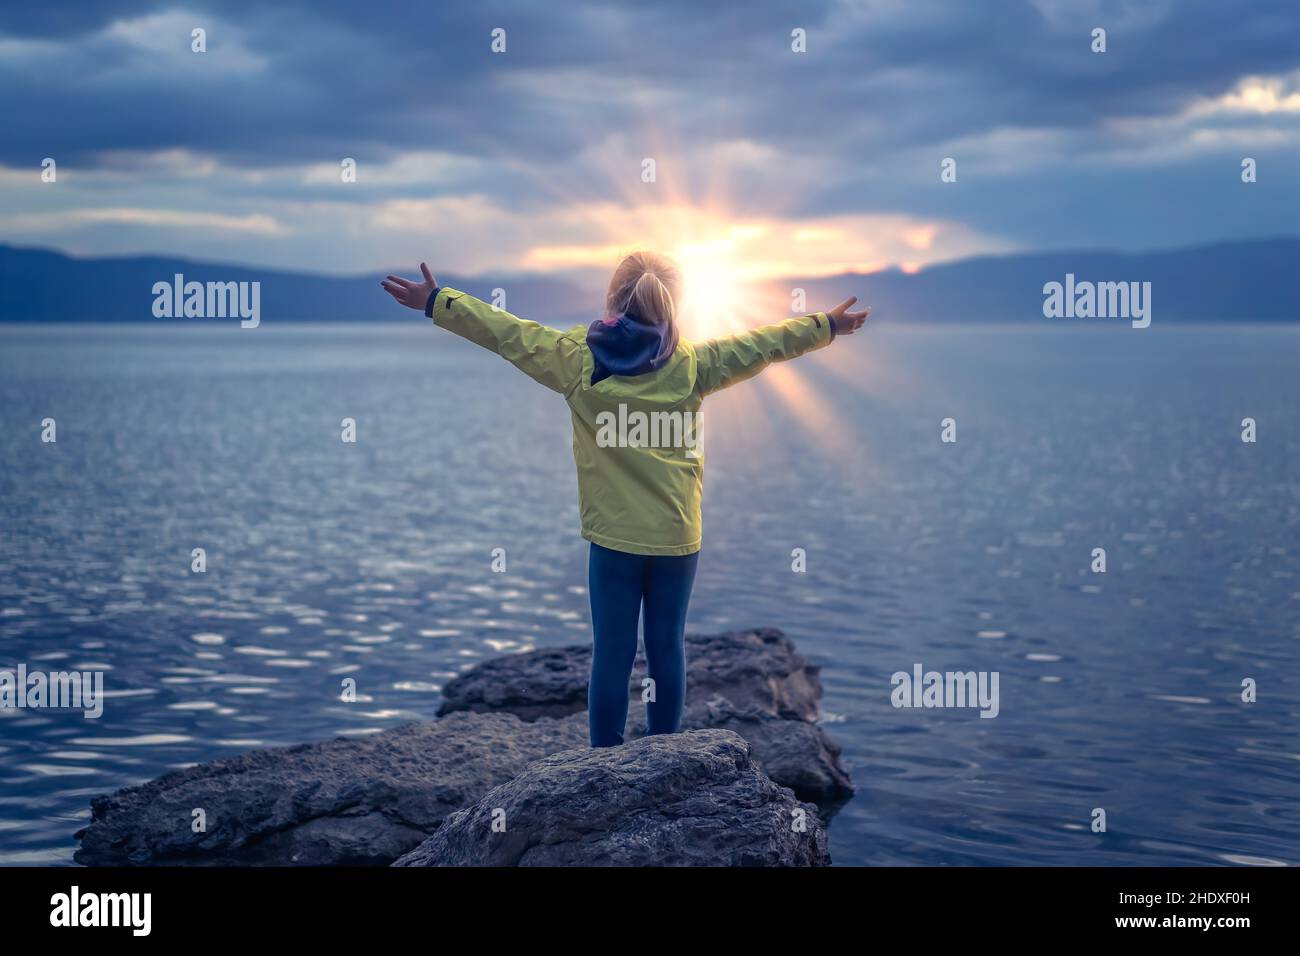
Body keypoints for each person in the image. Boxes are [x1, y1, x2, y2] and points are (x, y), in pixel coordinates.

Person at [382, 251, 869, 746]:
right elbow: (762, 345)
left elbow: (507, 332)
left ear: (613, 298)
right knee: (666, 649)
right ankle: (666, 756)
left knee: (612, 653)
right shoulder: (695, 365)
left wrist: (438, 301)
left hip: (615, 539)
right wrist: (824, 325)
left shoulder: (575, 360)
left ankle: (604, 762)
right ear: (673, 305)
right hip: (677, 536)